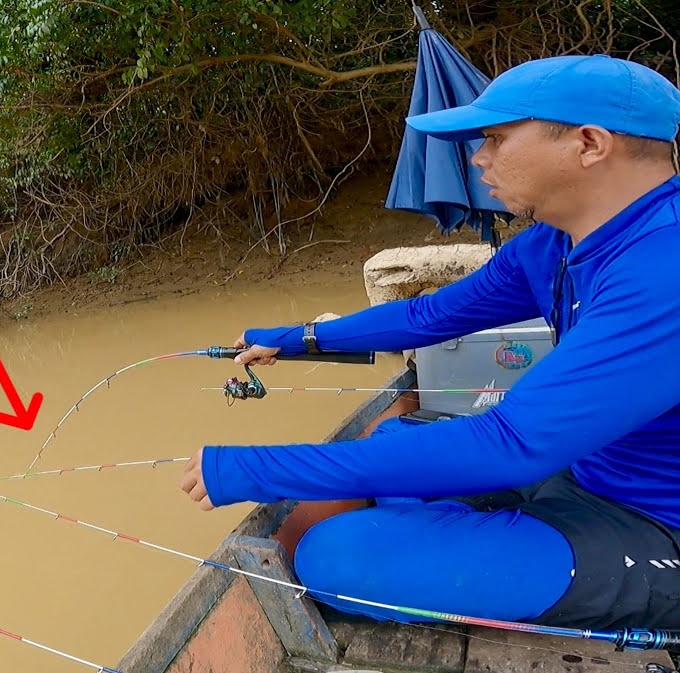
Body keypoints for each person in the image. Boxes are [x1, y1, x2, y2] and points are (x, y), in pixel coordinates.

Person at [178, 54, 680, 629]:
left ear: (589, 144)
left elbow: (512, 443)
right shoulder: (554, 244)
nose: (478, 157)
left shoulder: (665, 268)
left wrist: (260, 468)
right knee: (396, 435)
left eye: (495, 137)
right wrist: (295, 340)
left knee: (339, 556)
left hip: (656, 522)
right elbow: (430, 315)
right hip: (580, 473)